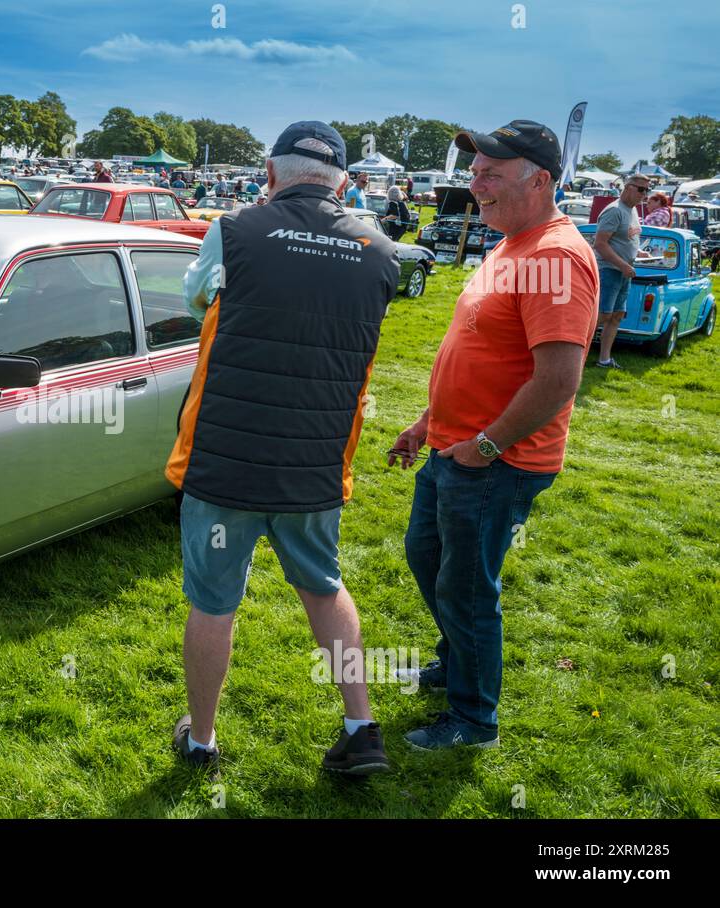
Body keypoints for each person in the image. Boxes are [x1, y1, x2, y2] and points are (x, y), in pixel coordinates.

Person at [167, 121, 402, 776]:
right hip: (316, 459)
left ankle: (203, 741)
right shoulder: (379, 250)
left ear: (270, 174)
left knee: (214, 600)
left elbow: (193, 300)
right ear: (346, 184)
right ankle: (361, 727)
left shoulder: (236, 227)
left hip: (226, 458)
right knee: (324, 588)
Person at [389, 119, 598, 750]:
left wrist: (485, 447)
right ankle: (455, 665)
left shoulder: (555, 256)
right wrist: (428, 424)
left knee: (468, 585)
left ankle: (473, 719)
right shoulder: (511, 243)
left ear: (539, 180)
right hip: (458, 447)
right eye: (474, 171)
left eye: (491, 173)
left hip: (496, 461)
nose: (476, 184)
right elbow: (478, 349)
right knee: (428, 559)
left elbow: (559, 379)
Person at [591, 174, 649, 368]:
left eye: (647, 190)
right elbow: (600, 244)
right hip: (609, 270)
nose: (644, 194)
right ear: (629, 187)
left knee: (616, 315)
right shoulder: (615, 210)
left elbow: (625, 239)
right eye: (641, 189)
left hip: (623, 271)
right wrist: (623, 265)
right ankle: (572, 356)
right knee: (602, 315)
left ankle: (604, 359)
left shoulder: (631, 211)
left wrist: (638, 253)